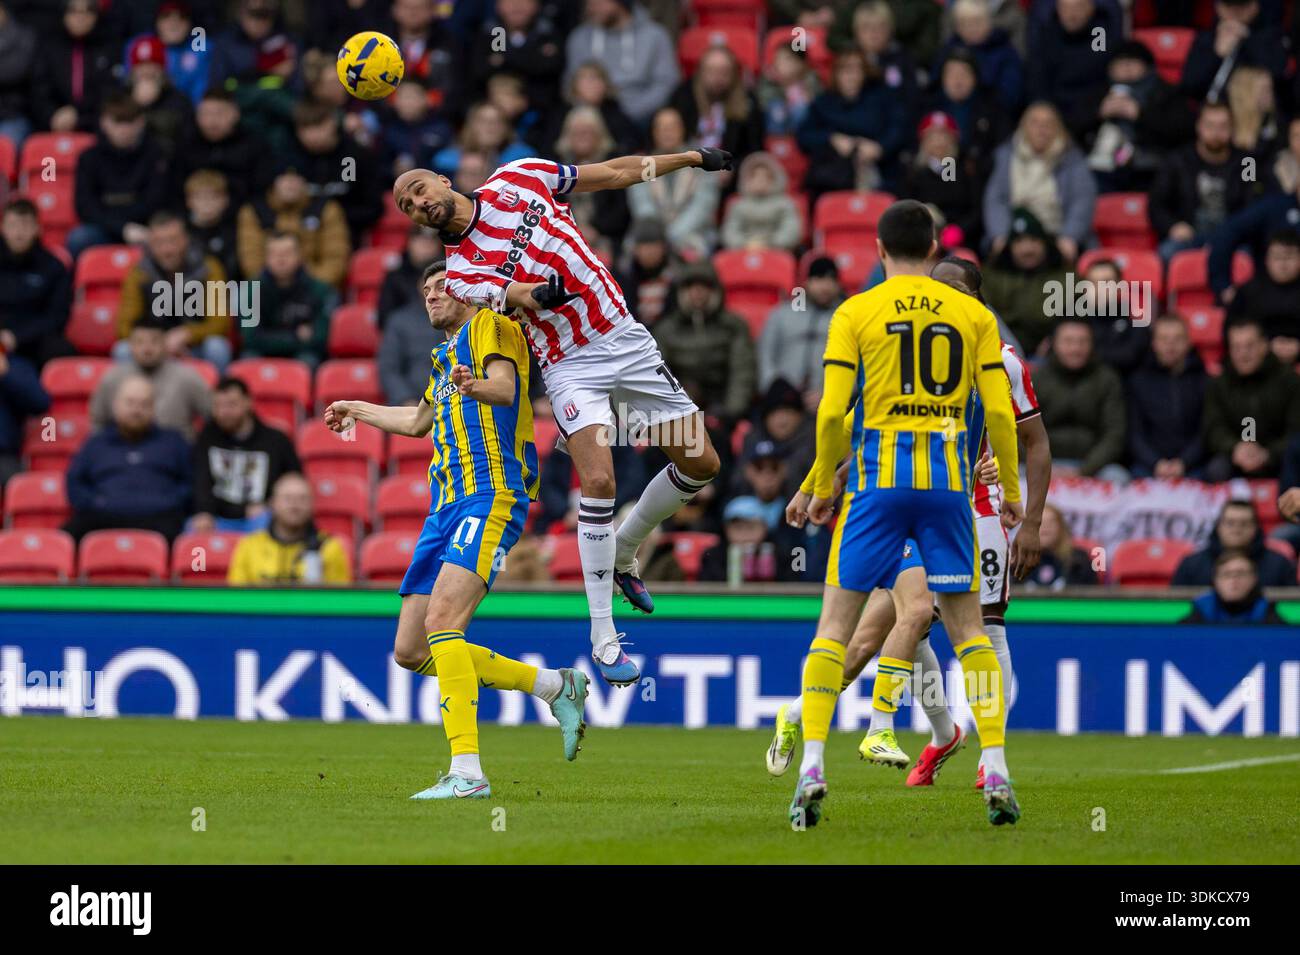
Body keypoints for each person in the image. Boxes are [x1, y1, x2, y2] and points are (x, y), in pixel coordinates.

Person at [392, 143, 732, 687]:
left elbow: (615, 172)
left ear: (442, 179)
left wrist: (689, 158)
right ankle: (603, 636)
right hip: (569, 363)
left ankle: (625, 547)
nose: (418, 203)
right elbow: (515, 293)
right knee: (598, 481)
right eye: (407, 206)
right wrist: (537, 294)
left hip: (624, 337)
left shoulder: (520, 176)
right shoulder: (459, 273)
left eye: (418, 189)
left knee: (702, 463)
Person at [781, 199, 1024, 828]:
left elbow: (831, 414)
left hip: (876, 490)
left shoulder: (855, 311)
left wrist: (819, 485)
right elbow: (1000, 413)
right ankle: (996, 765)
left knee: (833, 631)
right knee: (970, 635)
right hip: (948, 491)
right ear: (935, 249)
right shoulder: (974, 315)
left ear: (879, 250)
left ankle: (812, 766)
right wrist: (1012, 489)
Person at [322, 260, 589, 799]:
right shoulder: (443, 358)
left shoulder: (492, 326)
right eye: (425, 290)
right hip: (444, 506)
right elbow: (417, 423)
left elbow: (505, 390)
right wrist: (357, 408)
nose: (432, 295)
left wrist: (475, 385)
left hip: (491, 494)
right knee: (410, 649)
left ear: (469, 289)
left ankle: (467, 773)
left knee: (444, 621)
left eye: (442, 286)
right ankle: (553, 685)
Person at [64, 375, 191, 543]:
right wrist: (94, 503)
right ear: (116, 405)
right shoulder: (96, 443)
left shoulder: (173, 442)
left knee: (187, 541)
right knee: (62, 540)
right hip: (103, 516)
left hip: (160, 518)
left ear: (153, 408)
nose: (136, 410)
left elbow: (191, 481)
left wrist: (170, 502)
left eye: (144, 404)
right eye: (130, 403)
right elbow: (74, 481)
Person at [1072, 38, 1195, 192]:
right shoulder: (1097, 93)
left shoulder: (1166, 93)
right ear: (1110, 68)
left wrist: (1140, 115)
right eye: (1120, 63)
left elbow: (1183, 131)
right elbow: (1070, 130)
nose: (1126, 67)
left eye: (1133, 62)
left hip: (1152, 169)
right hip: (1101, 169)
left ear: (1147, 67)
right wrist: (1098, 114)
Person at [115, 211, 233, 370]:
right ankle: (135, 387)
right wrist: (156, 341)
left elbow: (220, 323)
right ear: (150, 244)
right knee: (122, 349)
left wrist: (188, 334)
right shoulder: (139, 273)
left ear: (186, 240)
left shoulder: (209, 268)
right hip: (152, 349)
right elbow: (124, 327)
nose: (167, 250)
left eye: (173, 241)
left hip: (194, 346)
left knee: (217, 347)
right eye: (159, 243)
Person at [983, 100, 1096, 264]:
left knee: (1070, 267)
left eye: (1048, 124)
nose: (1041, 129)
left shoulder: (1073, 159)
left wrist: (1070, 236)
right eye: (1034, 123)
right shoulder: (1005, 156)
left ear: (1058, 129)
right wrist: (1000, 235)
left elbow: (1082, 201)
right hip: (1015, 236)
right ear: (1023, 127)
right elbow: (995, 199)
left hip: (1057, 236)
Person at [652, 260, 757, 426]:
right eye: (691, 286)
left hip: (723, 408)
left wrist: (730, 413)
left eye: (704, 286)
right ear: (681, 292)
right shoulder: (666, 329)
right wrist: (677, 408)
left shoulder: (733, 326)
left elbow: (742, 373)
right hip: (679, 408)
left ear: (715, 291)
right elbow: (659, 374)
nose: (697, 292)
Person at [1150, 102, 1257, 262]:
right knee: (1166, 253)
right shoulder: (1177, 161)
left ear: (1232, 129)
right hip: (1189, 236)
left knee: (1248, 256)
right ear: (1198, 126)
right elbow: (1156, 204)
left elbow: (1253, 203)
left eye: (1223, 126)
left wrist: (1235, 231)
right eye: (1210, 125)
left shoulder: (1247, 162)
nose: (1216, 133)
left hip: (1231, 236)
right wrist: (1173, 226)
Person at [192, 377, 301, 534]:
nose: (223, 412)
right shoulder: (207, 437)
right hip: (218, 517)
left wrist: (270, 504)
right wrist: (204, 511)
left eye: (231, 404)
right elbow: (199, 481)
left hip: (259, 516)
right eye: (217, 406)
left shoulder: (276, 441)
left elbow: (293, 480)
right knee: (192, 532)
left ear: (248, 403)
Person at [68, 92, 171, 257]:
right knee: (79, 238)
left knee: (170, 238)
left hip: (144, 227)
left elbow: (156, 199)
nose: (124, 129)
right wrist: (121, 228)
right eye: (117, 121)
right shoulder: (89, 157)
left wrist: (133, 226)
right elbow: (85, 206)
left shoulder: (155, 154)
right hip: (104, 227)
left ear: (141, 122)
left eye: (129, 121)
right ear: (104, 122)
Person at [796, 49, 906, 196]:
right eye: (845, 70)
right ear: (836, 73)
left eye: (857, 69)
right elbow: (803, 135)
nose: (851, 76)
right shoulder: (823, 103)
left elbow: (899, 129)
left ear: (865, 73)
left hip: (879, 171)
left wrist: (880, 147)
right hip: (833, 178)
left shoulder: (882, 98)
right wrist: (832, 139)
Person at [1203, 317, 1300, 481]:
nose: (1243, 354)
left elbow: (1295, 431)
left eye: (1249, 346)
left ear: (1264, 345)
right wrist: (1235, 448)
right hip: (1234, 456)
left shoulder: (1289, 381)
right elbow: (1213, 428)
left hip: (1277, 457)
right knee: (1215, 469)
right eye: (1236, 348)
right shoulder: (1219, 383)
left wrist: (1267, 454)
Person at [1033, 317, 1128, 483]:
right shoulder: (1037, 379)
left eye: (1083, 342)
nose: (1075, 348)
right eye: (1068, 341)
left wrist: (1084, 470)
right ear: (1054, 344)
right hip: (1043, 464)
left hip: (1093, 466)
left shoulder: (1107, 379)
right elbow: (1020, 432)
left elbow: (1114, 434)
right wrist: (1045, 466)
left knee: (1118, 478)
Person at [91, 316, 211, 442]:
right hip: (124, 449)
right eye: (140, 342)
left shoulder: (187, 377)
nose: (147, 349)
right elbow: (98, 422)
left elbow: (212, 414)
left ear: (165, 344)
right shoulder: (112, 378)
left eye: (154, 341)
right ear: (130, 345)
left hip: (176, 450)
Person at [238, 159, 351, 289]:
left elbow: (335, 260)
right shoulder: (254, 211)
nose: (290, 184)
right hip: (267, 289)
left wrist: (309, 286)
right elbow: (251, 261)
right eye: (284, 178)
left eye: (296, 178)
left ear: (305, 181)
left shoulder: (326, 209)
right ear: (274, 181)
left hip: (314, 289)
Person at [627, 106, 721, 260]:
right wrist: (659, 235)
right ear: (654, 132)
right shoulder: (645, 164)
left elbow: (703, 206)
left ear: (682, 130)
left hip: (693, 232)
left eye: (672, 127)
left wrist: (672, 234)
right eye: (662, 128)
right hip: (654, 235)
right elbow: (643, 206)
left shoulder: (701, 162)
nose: (667, 133)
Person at [563, 0, 678, 125]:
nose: (591, 9)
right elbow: (570, 84)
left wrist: (629, 113)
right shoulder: (579, 38)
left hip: (642, 118)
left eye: (598, 3)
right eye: (589, 4)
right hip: (592, 116)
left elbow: (666, 83)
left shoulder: (655, 35)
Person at [227, 472, 351, 584]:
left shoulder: (328, 547)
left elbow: (339, 598)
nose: (295, 504)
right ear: (272, 503)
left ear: (312, 505)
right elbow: (235, 596)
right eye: (287, 498)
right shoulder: (249, 545)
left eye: (302, 498)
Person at [1126, 314, 1208, 479]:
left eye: (1177, 339)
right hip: (1146, 468)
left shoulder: (1205, 382)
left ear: (1188, 342)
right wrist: (1156, 463)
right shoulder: (1137, 382)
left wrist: (1184, 462)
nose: (1170, 345)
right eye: (1164, 339)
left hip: (1194, 468)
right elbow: (1134, 433)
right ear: (1154, 343)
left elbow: (1207, 431)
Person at [242, 231, 337, 370]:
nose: (281, 259)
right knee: (248, 359)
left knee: (308, 360)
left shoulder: (320, 290)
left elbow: (320, 338)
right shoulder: (251, 289)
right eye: (274, 254)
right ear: (266, 258)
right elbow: (250, 339)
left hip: (302, 355)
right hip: (263, 353)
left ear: (299, 256)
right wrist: (295, 336)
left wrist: (268, 336)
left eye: (287, 253)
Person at [981, 207, 1068, 355]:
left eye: (1034, 240)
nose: (1027, 249)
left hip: (1051, 357)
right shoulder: (991, 277)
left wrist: (1055, 337)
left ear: (1045, 244)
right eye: (1019, 241)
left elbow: (1074, 318)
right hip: (1000, 353)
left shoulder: (1064, 277)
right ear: (1010, 246)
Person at [0, 199, 73, 370]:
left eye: (25, 225)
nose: (19, 233)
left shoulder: (53, 267)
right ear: (2, 227)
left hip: (34, 339)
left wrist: (17, 336)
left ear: (37, 228)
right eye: (12, 225)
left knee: (61, 351)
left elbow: (57, 317)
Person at [32, 0, 118, 135]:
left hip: (96, 126)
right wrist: (52, 115)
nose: (81, 17)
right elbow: (39, 90)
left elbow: (109, 93)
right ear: (64, 15)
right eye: (73, 11)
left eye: (88, 11)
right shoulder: (49, 48)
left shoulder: (108, 48)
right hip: (52, 124)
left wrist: (79, 117)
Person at [759, 255, 841, 393]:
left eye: (831, 280)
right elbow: (765, 357)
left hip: (831, 397)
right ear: (806, 282)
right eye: (819, 279)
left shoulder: (846, 317)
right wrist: (775, 389)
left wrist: (831, 393)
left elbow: (857, 366)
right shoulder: (781, 314)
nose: (825, 287)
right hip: (783, 396)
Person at [670, 46, 764, 165]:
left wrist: (732, 167)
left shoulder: (747, 102)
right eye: (711, 71)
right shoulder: (684, 96)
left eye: (724, 72)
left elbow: (753, 151)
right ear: (700, 72)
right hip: (688, 167)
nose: (718, 78)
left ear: (734, 74)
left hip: (729, 169)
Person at [1172, 499, 1297, 588]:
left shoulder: (1280, 565)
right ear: (1218, 526)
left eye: (1244, 524)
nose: (1237, 529)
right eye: (1230, 523)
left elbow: (1294, 608)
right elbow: (1175, 607)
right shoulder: (1191, 565)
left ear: (1255, 528)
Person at [1180, 0, 1286, 103]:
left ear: (1255, 6)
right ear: (1218, 6)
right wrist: (1216, 55)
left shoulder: (1271, 37)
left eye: (1242, 5)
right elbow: (1189, 86)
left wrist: (1247, 41)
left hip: (1249, 109)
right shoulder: (1206, 39)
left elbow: (1277, 81)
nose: (1235, 11)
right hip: (1208, 109)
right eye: (1229, 5)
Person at [1025, 0, 1115, 119]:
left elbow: (1103, 75)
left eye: (1078, 7)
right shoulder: (1047, 35)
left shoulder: (1101, 35)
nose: (1072, 14)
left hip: (1094, 110)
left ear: (1091, 8)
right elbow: (1037, 82)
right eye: (1065, 8)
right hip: (1055, 112)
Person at [934, 0, 1023, 113]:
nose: (972, 28)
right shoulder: (948, 51)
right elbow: (934, 87)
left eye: (977, 22)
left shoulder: (1005, 51)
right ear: (957, 27)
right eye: (965, 23)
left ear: (989, 23)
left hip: (993, 113)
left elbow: (1010, 94)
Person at [1226, 229, 1300, 360]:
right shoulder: (1248, 291)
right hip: (1257, 358)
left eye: (1289, 257)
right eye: (1277, 257)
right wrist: (1264, 346)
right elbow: (1231, 329)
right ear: (1266, 260)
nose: (1283, 264)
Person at [721, 152, 802, 253]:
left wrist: (770, 244)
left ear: (774, 179)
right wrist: (745, 244)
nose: (760, 180)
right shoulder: (738, 205)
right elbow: (730, 231)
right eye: (755, 176)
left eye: (765, 176)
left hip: (777, 250)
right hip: (743, 250)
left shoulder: (785, 204)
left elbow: (791, 230)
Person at [1182, 552, 1284, 624]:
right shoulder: (1201, 608)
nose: (1234, 580)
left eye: (1241, 574)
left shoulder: (1267, 610)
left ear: (1254, 579)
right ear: (1215, 580)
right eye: (1227, 574)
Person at [0, 344, 48, 487]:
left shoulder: (16, 366)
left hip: (4, 456)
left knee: (20, 487)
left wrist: (6, 374)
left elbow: (40, 403)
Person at [1020, 502, 1098, 589]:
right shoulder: (1018, 562)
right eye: (1040, 522)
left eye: (1051, 522)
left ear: (1061, 527)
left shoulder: (1078, 561)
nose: (1046, 527)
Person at [377, 226, 445, 325]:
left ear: (439, 245)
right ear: (409, 243)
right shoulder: (396, 277)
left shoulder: (448, 274)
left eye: (431, 240)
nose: (426, 245)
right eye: (420, 240)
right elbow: (384, 317)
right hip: (405, 329)